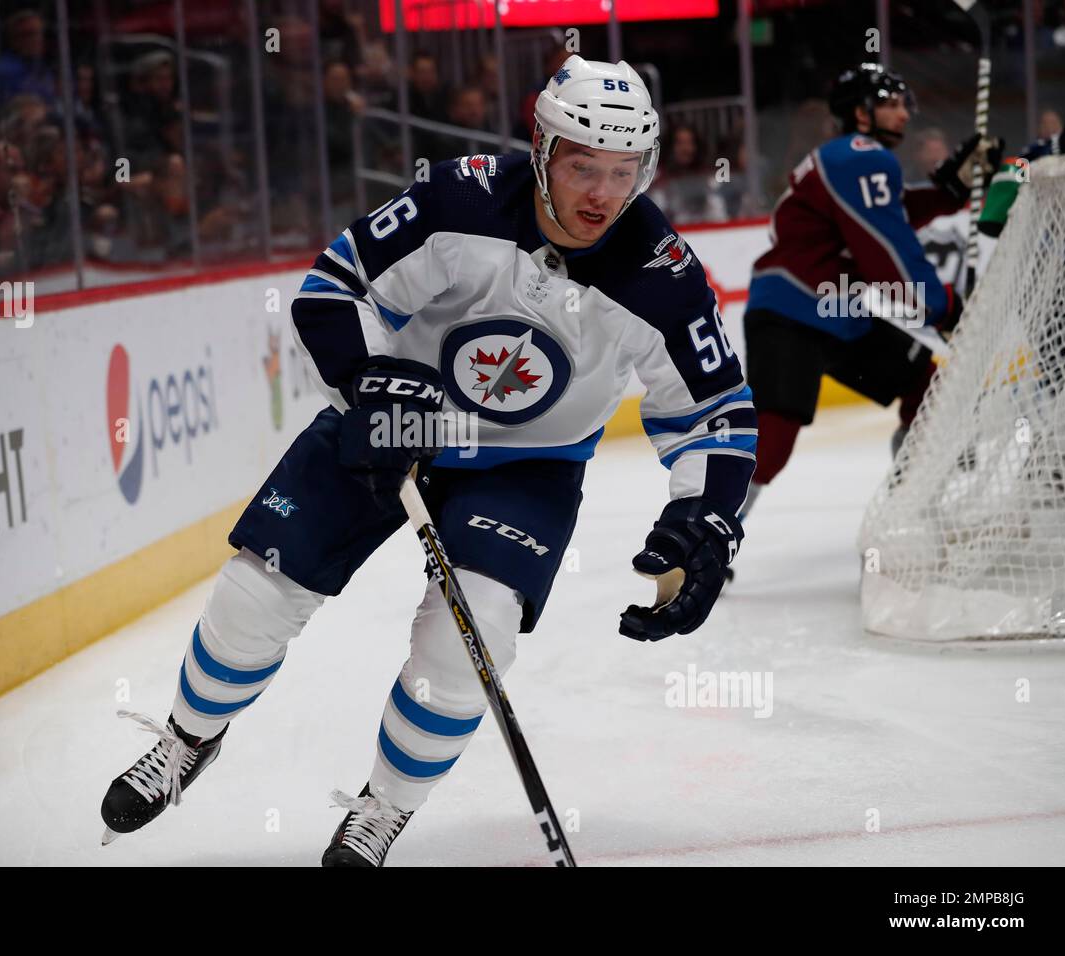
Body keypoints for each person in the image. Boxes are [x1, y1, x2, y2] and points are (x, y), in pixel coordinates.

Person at [98, 56, 757, 866]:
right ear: (543, 149)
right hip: (390, 425)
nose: (602, 195)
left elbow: (715, 415)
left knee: (467, 639)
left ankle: (381, 810)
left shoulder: (663, 275)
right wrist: (372, 382)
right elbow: (333, 288)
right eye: (584, 167)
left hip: (528, 467)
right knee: (258, 588)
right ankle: (186, 741)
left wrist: (708, 520)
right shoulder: (460, 196)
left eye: (624, 173)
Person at [739, 63, 998, 524]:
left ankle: (909, 496)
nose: (903, 114)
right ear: (860, 113)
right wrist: (943, 305)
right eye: (890, 104)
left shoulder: (853, 157)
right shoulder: (860, 156)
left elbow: (886, 217)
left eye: (903, 105)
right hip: (791, 310)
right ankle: (707, 533)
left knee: (926, 382)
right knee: (774, 440)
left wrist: (944, 194)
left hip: (835, 310)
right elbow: (887, 255)